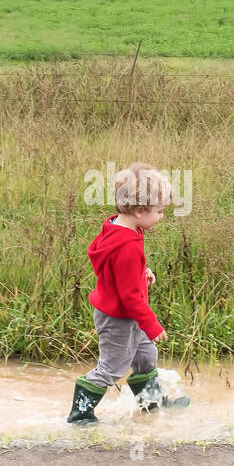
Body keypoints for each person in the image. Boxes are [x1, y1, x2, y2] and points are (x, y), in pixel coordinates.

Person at [67, 162, 188, 424]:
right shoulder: (127, 245)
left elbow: (109, 261)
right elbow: (130, 297)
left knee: (146, 357)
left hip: (126, 314)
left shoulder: (116, 226)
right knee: (113, 367)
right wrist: (152, 325)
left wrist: (141, 270)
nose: (161, 217)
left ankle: (151, 404)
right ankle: (80, 414)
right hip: (118, 318)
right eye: (160, 211)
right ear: (140, 209)